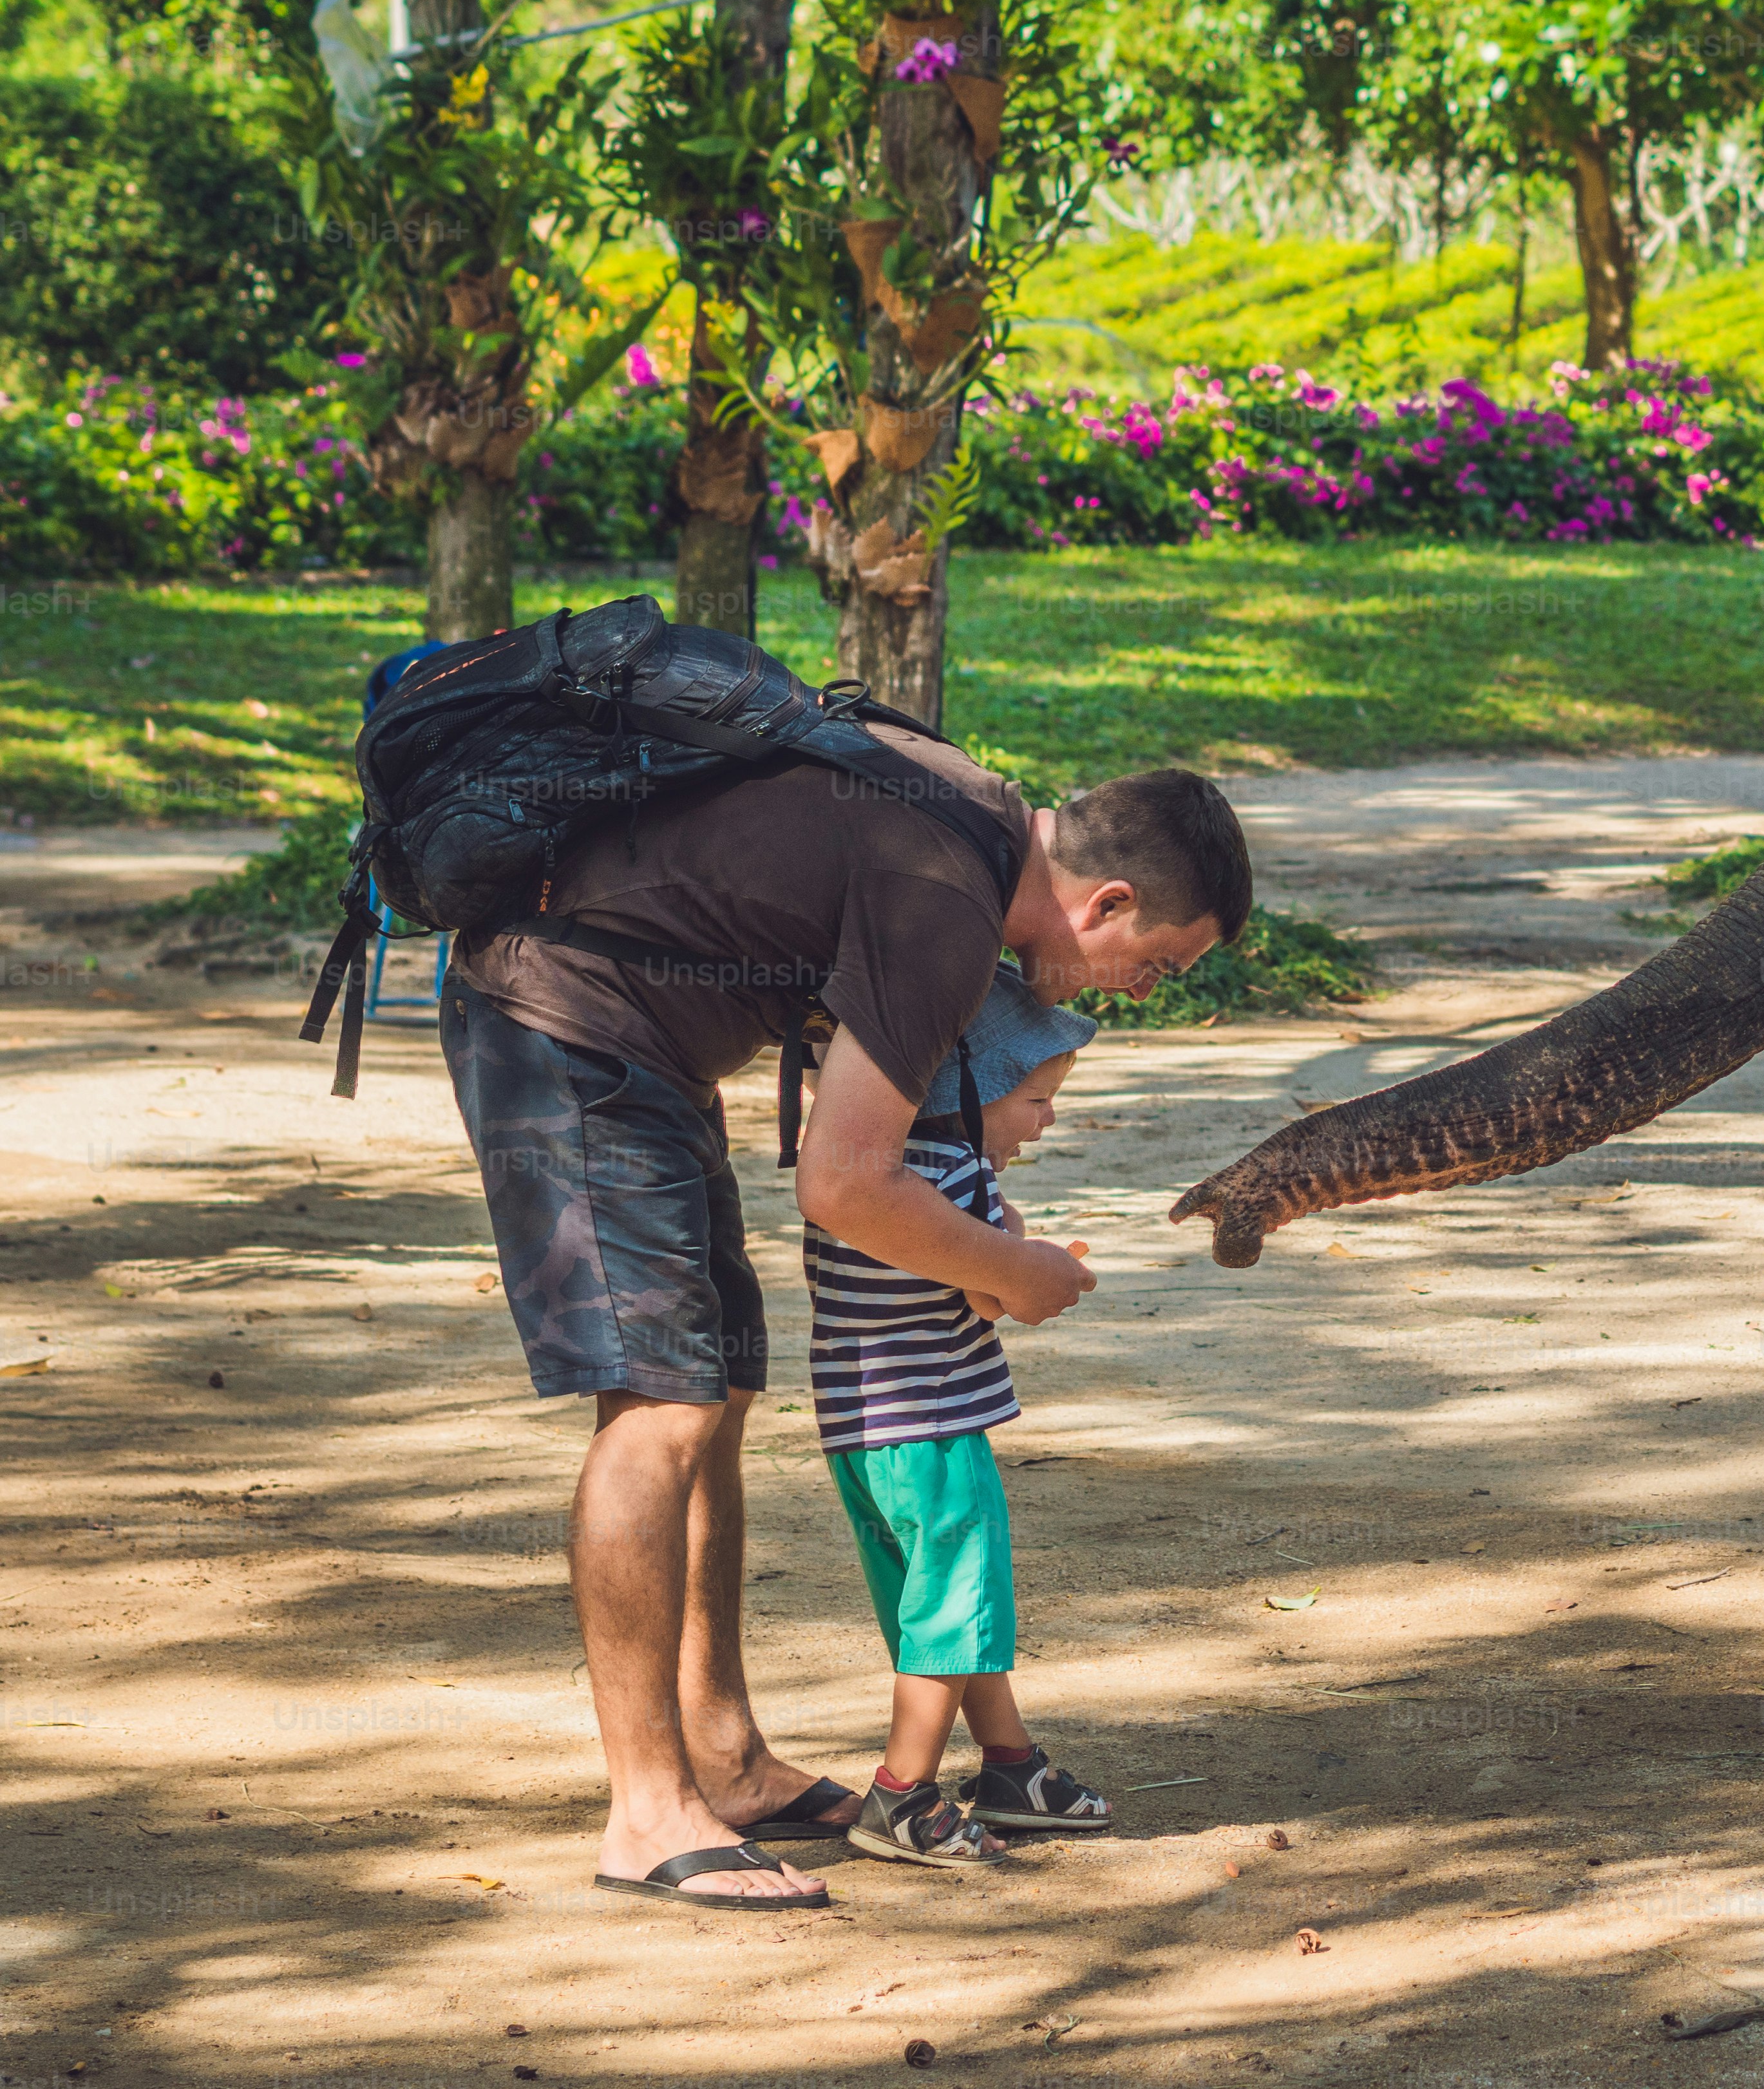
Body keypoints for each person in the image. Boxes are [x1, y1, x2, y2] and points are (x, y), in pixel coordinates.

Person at [439, 752, 1247, 1910]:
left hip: (637, 1049)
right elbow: (846, 1183)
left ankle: (723, 1757)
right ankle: (647, 1810)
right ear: (1106, 902)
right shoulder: (948, 901)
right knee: (661, 1400)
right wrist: (1012, 1269)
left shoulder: (961, 829)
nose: (1138, 989)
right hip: (562, 1025)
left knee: (711, 1388)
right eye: (1156, 964)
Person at [808, 970, 1113, 1866]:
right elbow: (993, 1296)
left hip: (859, 1429)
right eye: (1033, 1098)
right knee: (956, 1601)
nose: (1044, 1118)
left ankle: (1011, 1763)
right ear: (969, 1090)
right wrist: (1041, 1260)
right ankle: (901, 1795)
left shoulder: (865, 1170)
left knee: (937, 1605)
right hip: (934, 1427)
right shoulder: (958, 1179)